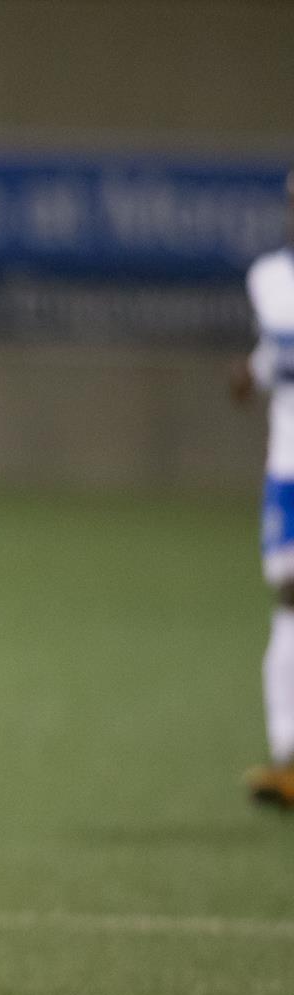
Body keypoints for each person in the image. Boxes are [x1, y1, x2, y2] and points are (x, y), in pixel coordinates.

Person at [233, 170, 294, 808]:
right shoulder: (269, 280)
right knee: (287, 594)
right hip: (288, 469)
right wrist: (249, 375)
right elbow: (274, 354)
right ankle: (287, 757)